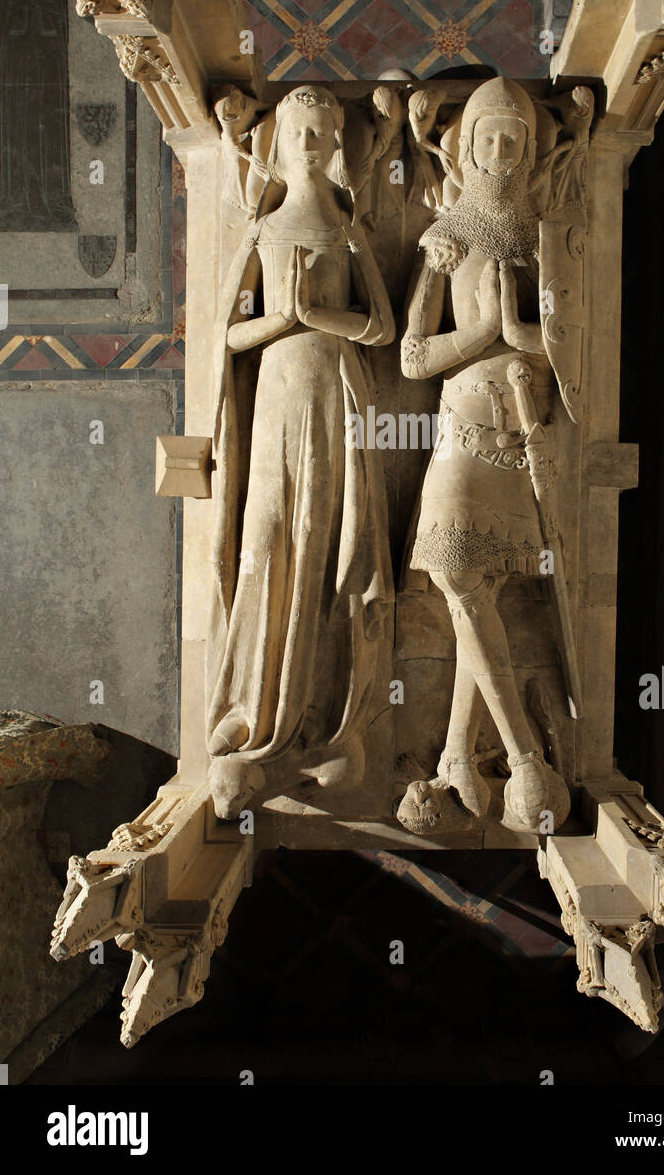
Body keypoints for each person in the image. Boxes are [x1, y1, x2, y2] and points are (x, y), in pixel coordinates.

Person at [207, 86, 394, 816]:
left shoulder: (346, 230)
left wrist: (317, 315)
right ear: (278, 141)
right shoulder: (263, 232)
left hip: (339, 394)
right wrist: (283, 319)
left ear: (336, 141)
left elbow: (380, 329)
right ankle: (253, 715)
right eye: (299, 130)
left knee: (330, 550)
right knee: (268, 544)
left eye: (322, 131)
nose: (311, 142)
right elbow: (229, 336)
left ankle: (325, 725)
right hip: (279, 400)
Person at [399, 77, 570, 832]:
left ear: (530, 151)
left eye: (513, 140)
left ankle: (454, 758)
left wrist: (519, 328)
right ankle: (524, 759)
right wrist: (485, 334)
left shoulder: (546, 231)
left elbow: (571, 348)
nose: (499, 151)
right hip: (462, 433)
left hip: (526, 437)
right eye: (487, 138)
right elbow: (411, 356)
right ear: (464, 147)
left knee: (483, 590)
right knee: (459, 578)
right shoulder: (447, 237)